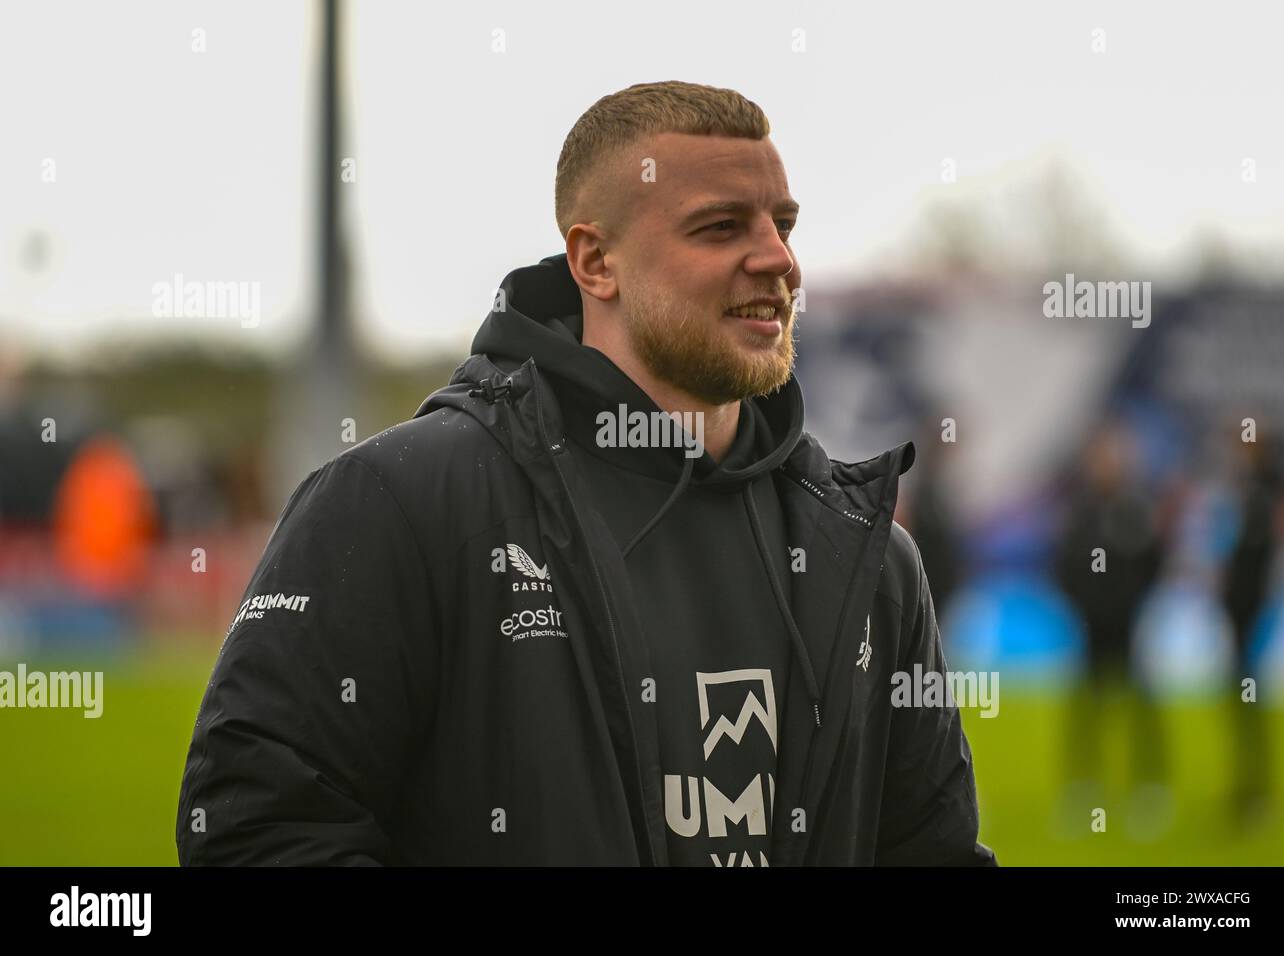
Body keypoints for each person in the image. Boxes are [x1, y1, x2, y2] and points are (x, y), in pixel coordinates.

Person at [176, 80, 995, 867]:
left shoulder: (868, 557)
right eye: (720, 228)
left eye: (783, 224)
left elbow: (933, 855)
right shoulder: (402, 501)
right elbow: (258, 827)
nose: (778, 260)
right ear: (596, 261)